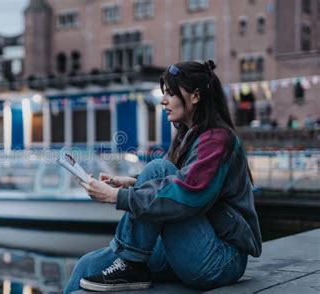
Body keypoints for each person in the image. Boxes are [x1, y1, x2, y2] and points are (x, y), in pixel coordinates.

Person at [64, 60, 262, 293]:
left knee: (158, 168)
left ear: (195, 96)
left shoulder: (218, 139)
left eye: (170, 93)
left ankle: (131, 263)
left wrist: (117, 196)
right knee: (88, 264)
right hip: (196, 246)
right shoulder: (188, 134)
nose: (163, 100)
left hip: (221, 259)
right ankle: (129, 262)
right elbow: (181, 178)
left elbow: (189, 191)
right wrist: (133, 182)